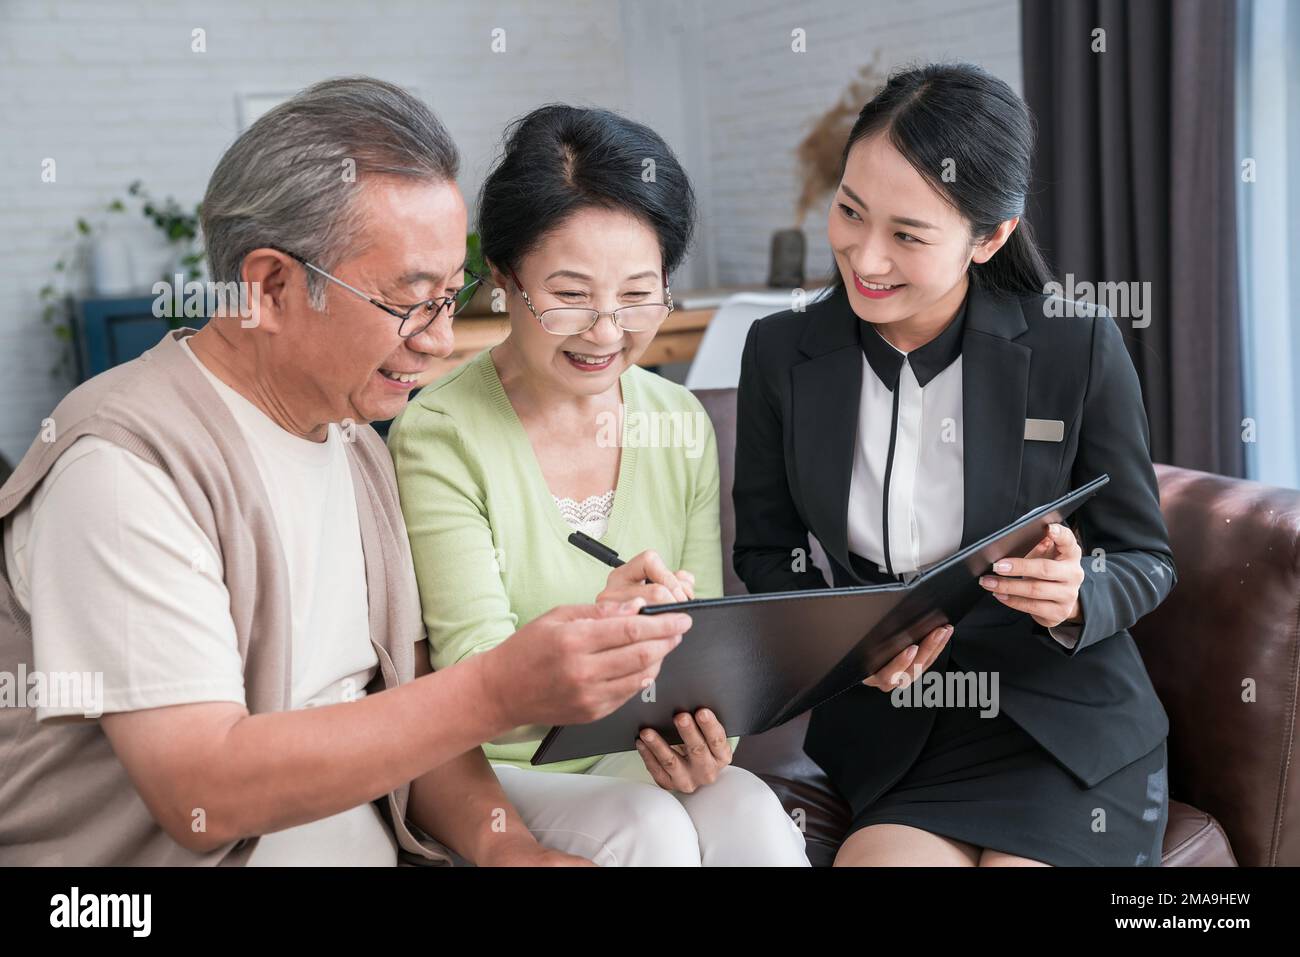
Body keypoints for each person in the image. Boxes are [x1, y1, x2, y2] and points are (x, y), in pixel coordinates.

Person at [0, 77, 691, 866]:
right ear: (267, 287)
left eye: (449, 295)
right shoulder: (125, 469)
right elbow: (203, 794)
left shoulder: (353, 439)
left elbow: (412, 712)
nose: (438, 339)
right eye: (410, 301)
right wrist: (500, 687)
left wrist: (510, 854)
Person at [732, 63, 1174, 867]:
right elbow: (764, 551)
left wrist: (1078, 596)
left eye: (907, 234)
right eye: (850, 211)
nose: (864, 257)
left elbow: (1146, 557)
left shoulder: (1074, 344)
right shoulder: (780, 352)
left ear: (990, 235)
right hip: (895, 732)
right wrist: (842, 647)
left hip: (1064, 728)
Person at [389, 105, 809, 865]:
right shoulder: (441, 435)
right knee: (647, 830)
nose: (608, 332)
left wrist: (709, 739)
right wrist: (596, 633)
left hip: (633, 748)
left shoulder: (678, 420)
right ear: (504, 279)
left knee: (749, 808)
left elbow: (706, 650)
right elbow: (480, 700)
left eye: (638, 294)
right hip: (507, 768)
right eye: (572, 294)